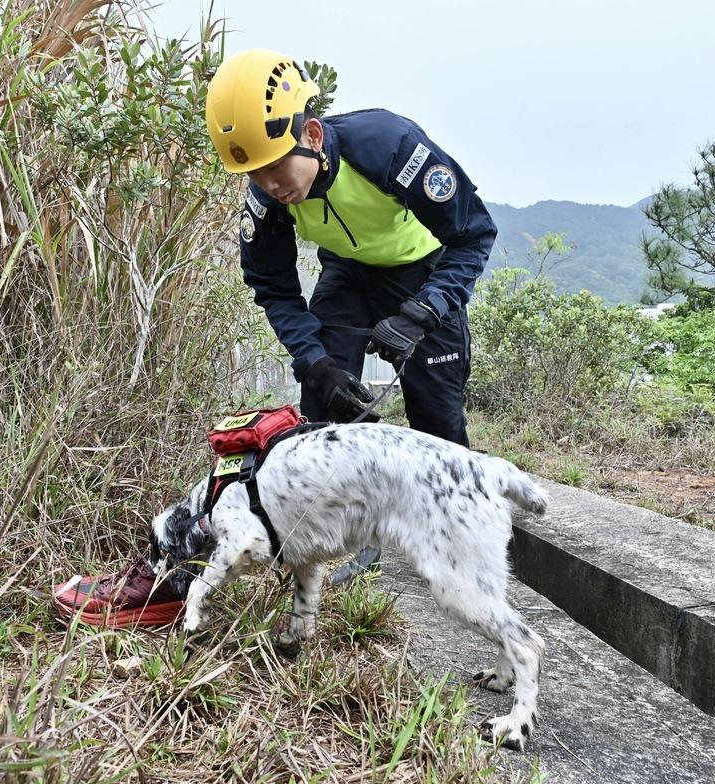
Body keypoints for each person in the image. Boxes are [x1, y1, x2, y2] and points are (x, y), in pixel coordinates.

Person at [205, 49, 498, 582]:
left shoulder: (387, 147)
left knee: (437, 420)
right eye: (253, 172)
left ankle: (465, 541)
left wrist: (424, 310)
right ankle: (349, 540)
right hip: (348, 274)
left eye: (275, 165)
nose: (269, 183)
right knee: (325, 402)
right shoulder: (268, 199)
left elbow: (474, 234)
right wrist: (313, 361)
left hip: (422, 271)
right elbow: (272, 285)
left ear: (312, 134)